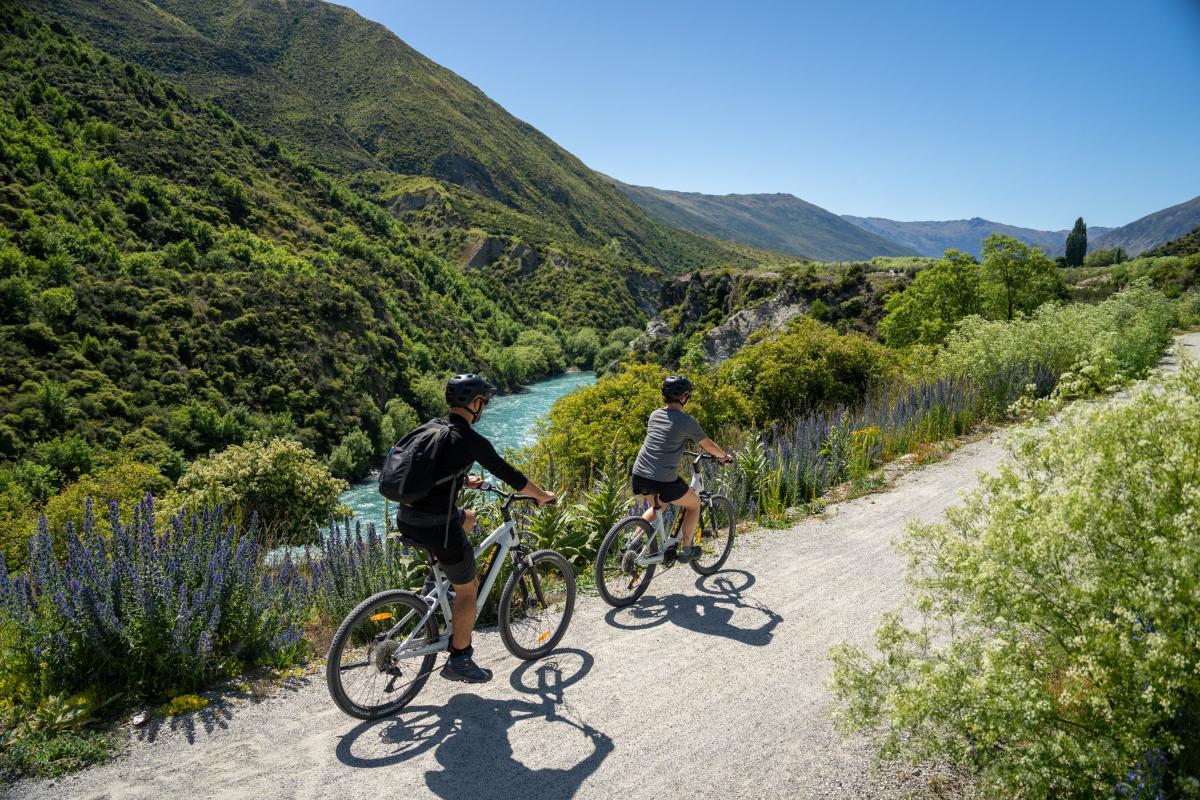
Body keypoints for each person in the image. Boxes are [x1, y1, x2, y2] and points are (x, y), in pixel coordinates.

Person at [396, 373, 556, 684]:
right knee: (469, 588)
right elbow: (507, 472)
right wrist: (541, 495)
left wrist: (461, 479)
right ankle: (460, 659)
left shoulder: (433, 427)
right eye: (483, 402)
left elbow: (426, 469)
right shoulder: (469, 439)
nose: (483, 407)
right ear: (475, 404)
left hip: (408, 517)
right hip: (436, 526)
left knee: (467, 517)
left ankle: (435, 585)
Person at [630, 375, 731, 562]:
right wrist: (723, 457)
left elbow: (662, 439)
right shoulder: (686, 421)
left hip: (639, 474)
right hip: (662, 479)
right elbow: (707, 444)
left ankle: (633, 544)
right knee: (694, 505)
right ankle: (686, 549)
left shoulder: (654, 415)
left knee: (658, 504)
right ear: (684, 397)